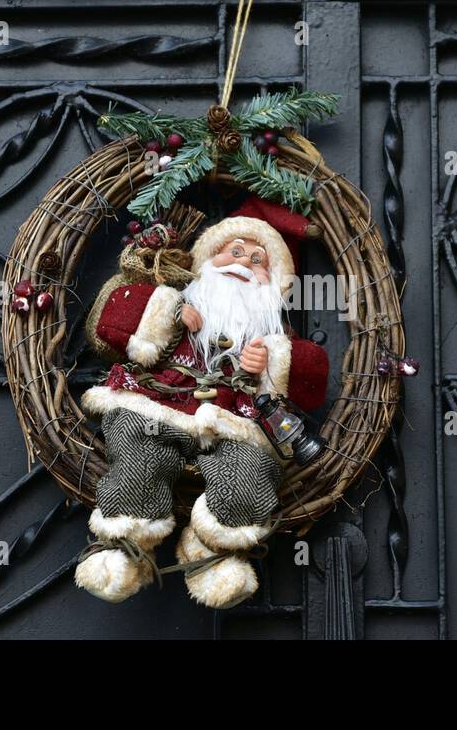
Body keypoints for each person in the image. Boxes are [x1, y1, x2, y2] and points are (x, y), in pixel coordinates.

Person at [77, 196, 328, 608]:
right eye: (235, 251)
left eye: (258, 260)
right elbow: (111, 322)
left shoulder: (270, 334)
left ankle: (212, 552)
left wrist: (274, 358)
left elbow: (313, 382)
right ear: (208, 259)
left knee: (252, 468)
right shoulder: (181, 302)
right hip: (160, 407)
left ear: (277, 282)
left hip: (232, 423)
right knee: (140, 449)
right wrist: (169, 311)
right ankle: (125, 544)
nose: (243, 263)